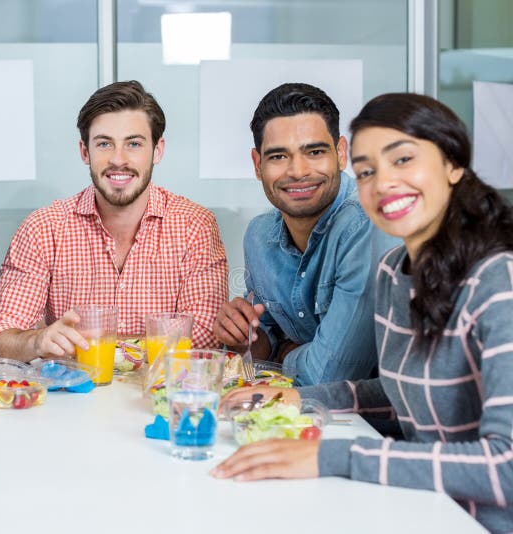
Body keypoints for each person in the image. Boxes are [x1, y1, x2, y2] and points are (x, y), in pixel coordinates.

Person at [211, 93, 513, 533]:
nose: (384, 184)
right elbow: (398, 394)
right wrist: (299, 398)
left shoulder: (498, 281)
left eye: (403, 160)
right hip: (419, 509)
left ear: (452, 165)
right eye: (369, 171)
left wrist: (332, 457)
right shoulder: (396, 270)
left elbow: (506, 466)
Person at [0, 81, 228, 362]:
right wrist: (37, 340)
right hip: (73, 398)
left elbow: (204, 337)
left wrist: (100, 346)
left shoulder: (195, 226)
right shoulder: (43, 228)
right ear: (84, 151)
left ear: (158, 150)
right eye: (104, 144)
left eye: (134, 144)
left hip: (160, 398)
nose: (118, 159)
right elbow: (3, 335)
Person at [213, 83, 397, 386]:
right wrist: (241, 337)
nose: (297, 171)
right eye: (278, 157)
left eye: (314, 152)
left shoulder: (368, 225)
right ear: (258, 165)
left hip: (379, 423)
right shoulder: (259, 237)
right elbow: (260, 348)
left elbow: (331, 375)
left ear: (340, 153)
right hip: (300, 415)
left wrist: (281, 357)